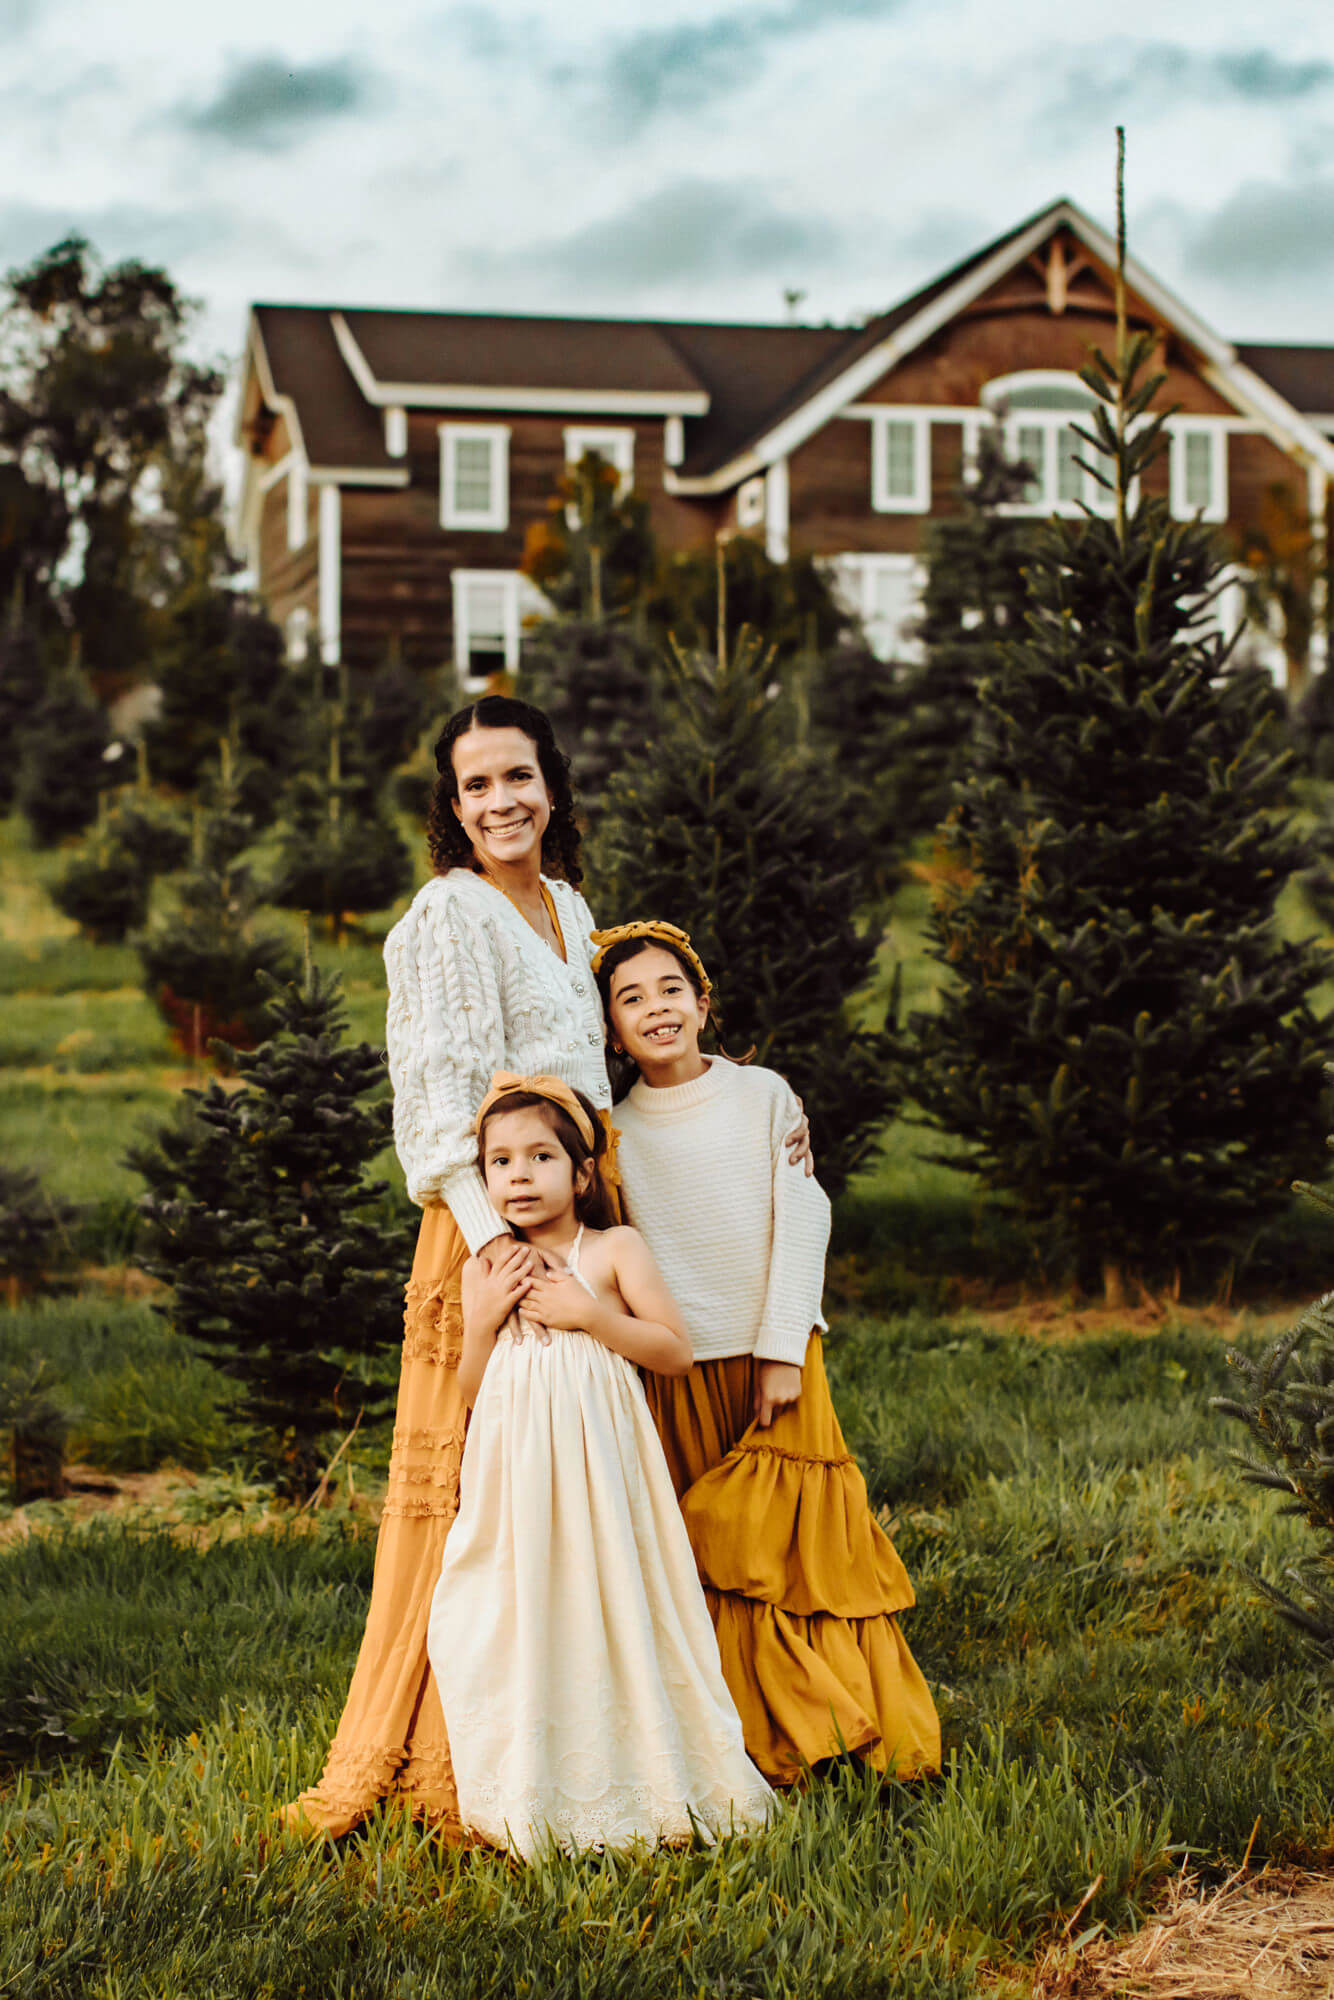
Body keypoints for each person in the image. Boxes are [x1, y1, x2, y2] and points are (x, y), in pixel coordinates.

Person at [284, 695, 614, 1839]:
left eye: (517, 776)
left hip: (582, 1219)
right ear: (453, 803)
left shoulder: (570, 908)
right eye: (476, 785)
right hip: (490, 1235)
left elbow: (599, 1072)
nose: (501, 801)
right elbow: (433, 1107)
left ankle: (579, 1732)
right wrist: (501, 1248)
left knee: (569, 1489)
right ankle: (446, 1750)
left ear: (552, 785)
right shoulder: (445, 915)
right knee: (473, 1498)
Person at [591, 919, 941, 1788]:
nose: (655, 1009)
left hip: (772, 1355)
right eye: (630, 999)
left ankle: (861, 1726)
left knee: (798, 1553)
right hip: (678, 1364)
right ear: (609, 1031)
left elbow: (803, 1218)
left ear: (703, 1003)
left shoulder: (764, 1099)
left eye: (671, 989)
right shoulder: (612, 1134)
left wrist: (785, 1346)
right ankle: (751, 1738)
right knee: (712, 1555)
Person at [427, 1074, 774, 1858]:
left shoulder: (614, 1250)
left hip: (600, 1466)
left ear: (582, 1173)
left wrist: (590, 1314)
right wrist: (480, 1325)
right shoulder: (486, 1270)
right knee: (513, 1600)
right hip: (516, 1470)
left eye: (540, 1156)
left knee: (610, 1587)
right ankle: (534, 1781)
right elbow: (470, 1391)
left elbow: (674, 1352)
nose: (518, 1175)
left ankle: (645, 1771)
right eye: (500, 1162)